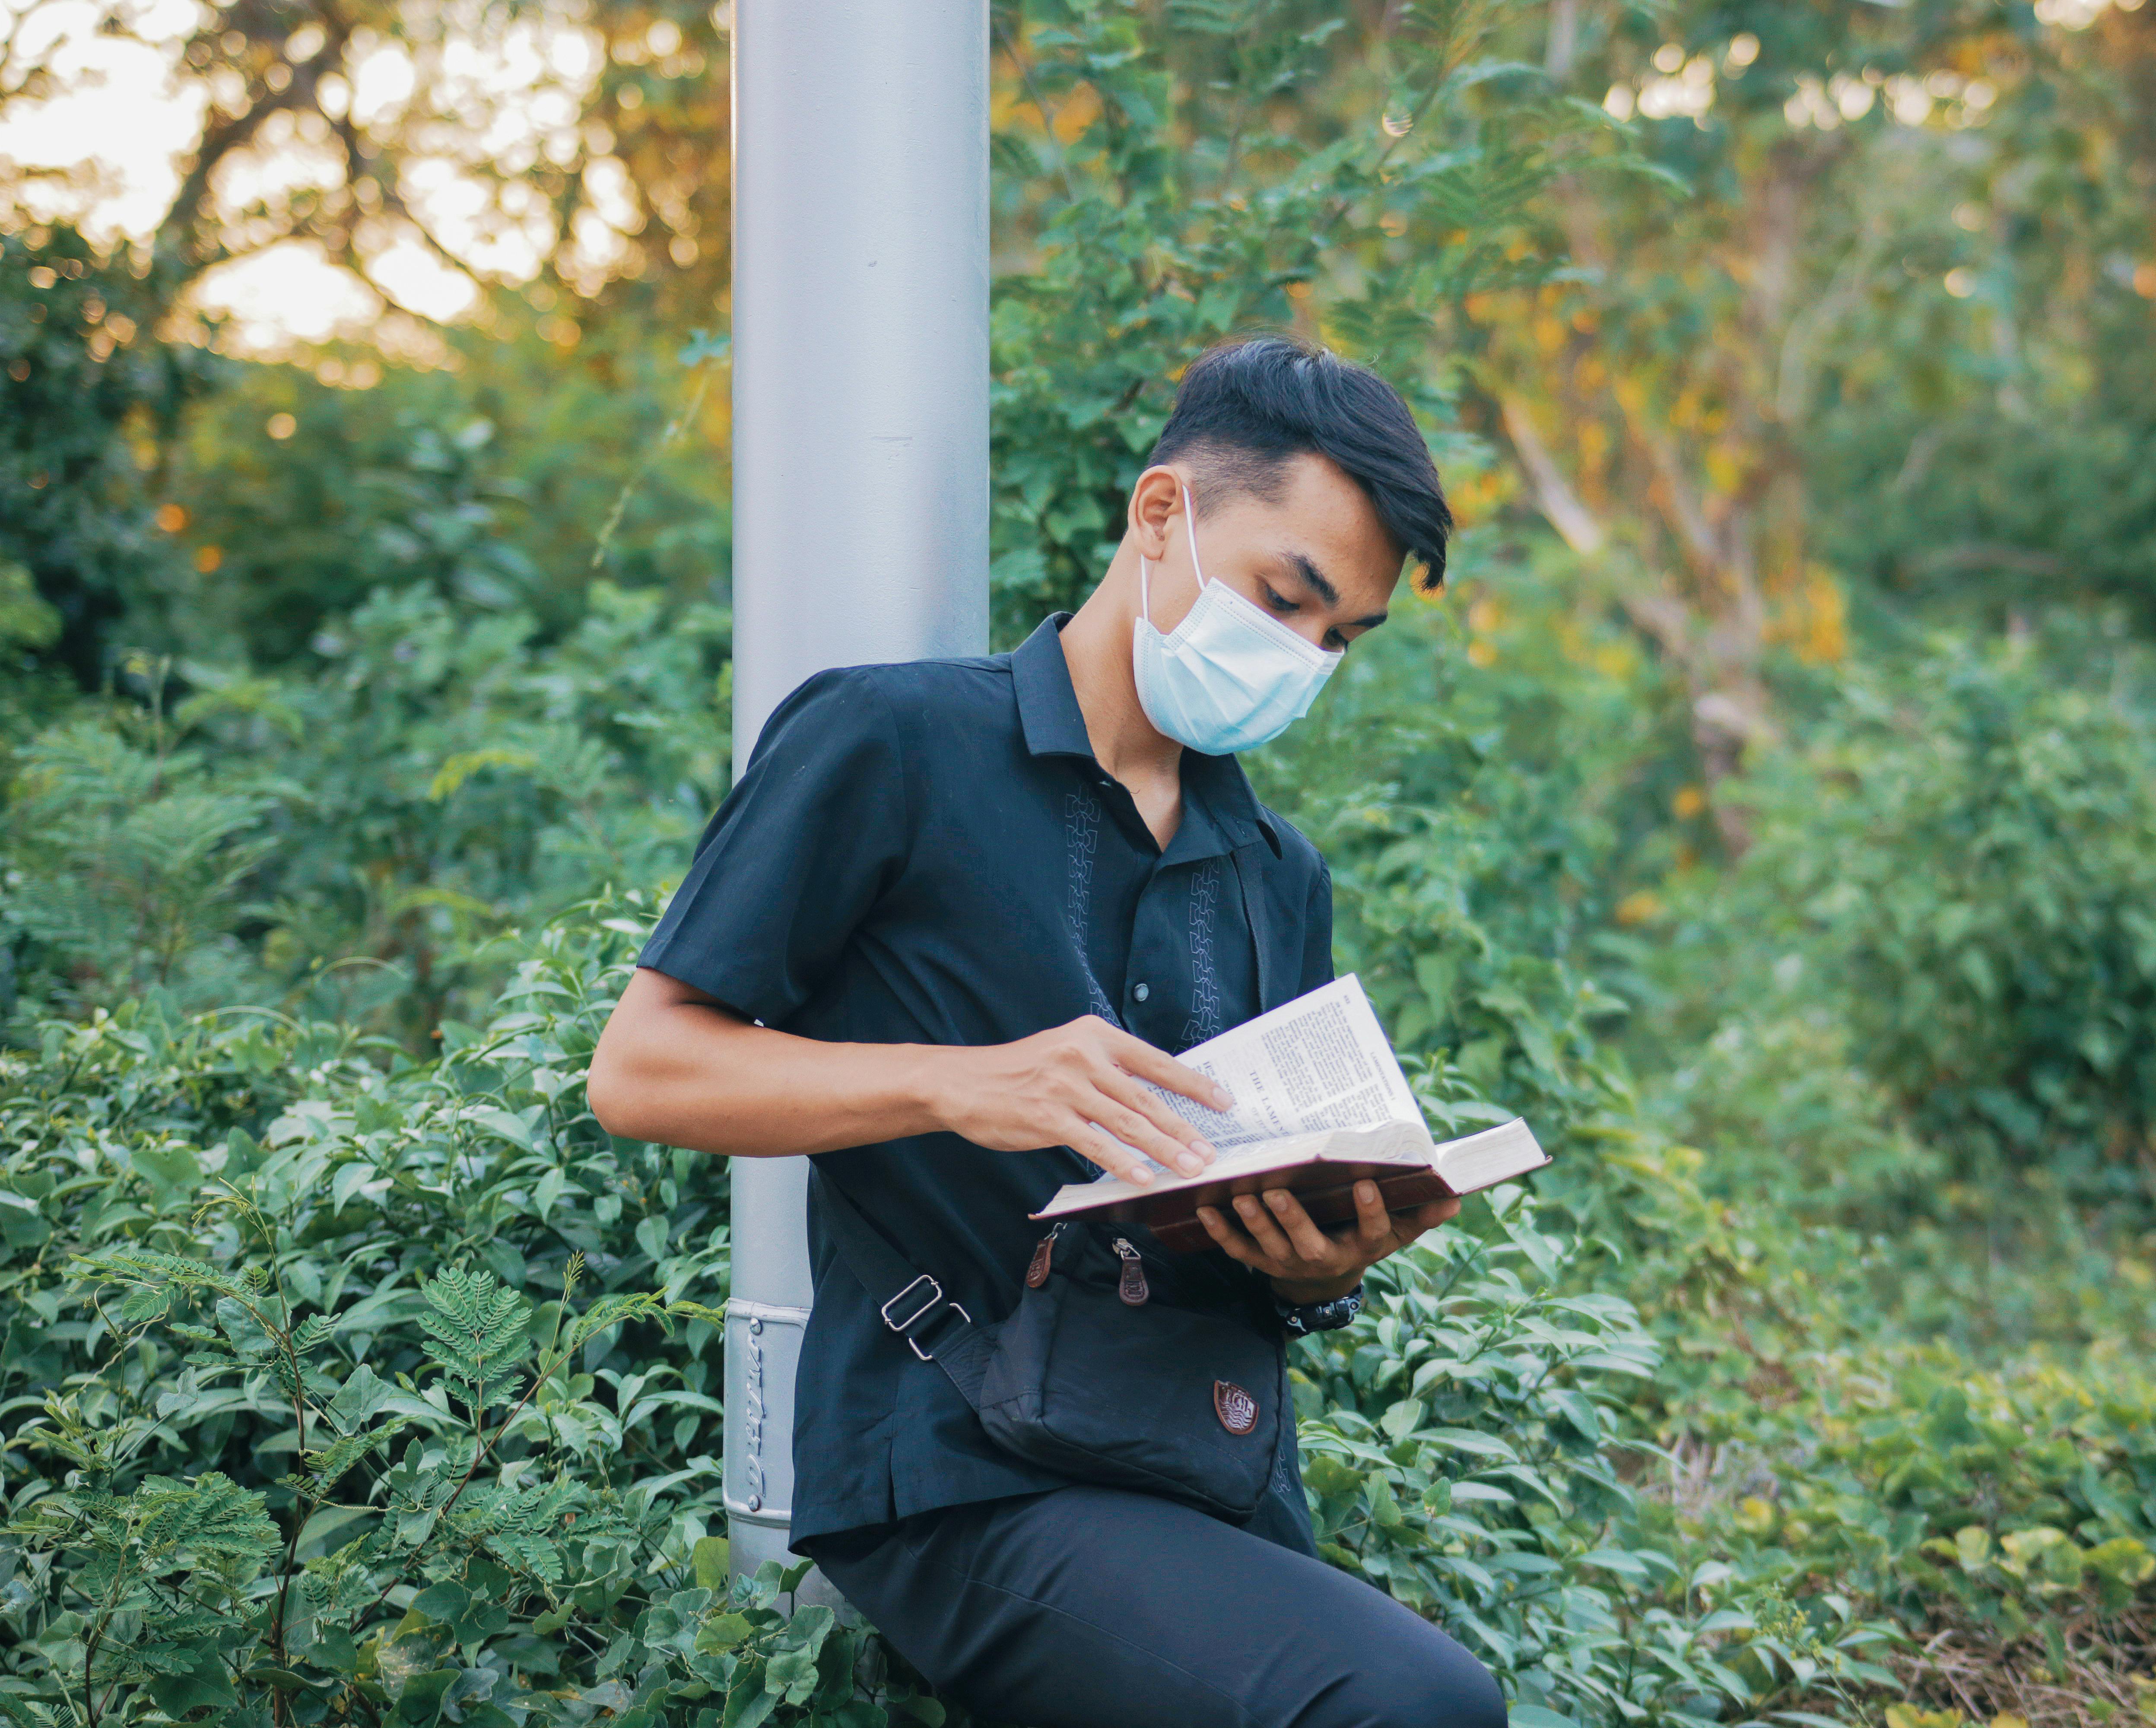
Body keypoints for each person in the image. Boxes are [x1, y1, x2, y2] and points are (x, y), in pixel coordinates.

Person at [587, 335, 1508, 1728]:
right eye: (1284, 599)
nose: (1302, 660)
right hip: (958, 1469)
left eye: (1338, 640)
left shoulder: (1276, 868)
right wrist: (968, 1087)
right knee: (1415, 1706)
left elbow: (1258, 1215)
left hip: (1210, 1467)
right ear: (1160, 516)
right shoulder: (893, 742)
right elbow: (645, 1068)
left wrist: (1326, 1263)